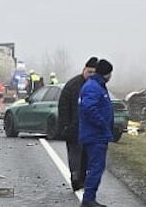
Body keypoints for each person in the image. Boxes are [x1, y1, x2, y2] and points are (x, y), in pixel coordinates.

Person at [58, 57, 98, 192]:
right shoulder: (73, 85)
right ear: (84, 70)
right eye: (89, 72)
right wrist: (65, 125)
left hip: (89, 128)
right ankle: (75, 178)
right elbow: (63, 107)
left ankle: (82, 179)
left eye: (94, 73)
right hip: (74, 127)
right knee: (75, 154)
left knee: (86, 155)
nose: (91, 75)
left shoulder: (96, 86)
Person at [78, 58, 114, 207]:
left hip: (97, 134)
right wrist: (103, 124)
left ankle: (89, 197)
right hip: (95, 135)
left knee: (95, 167)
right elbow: (89, 109)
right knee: (96, 168)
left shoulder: (98, 85)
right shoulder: (94, 87)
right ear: (106, 73)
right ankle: (88, 199)